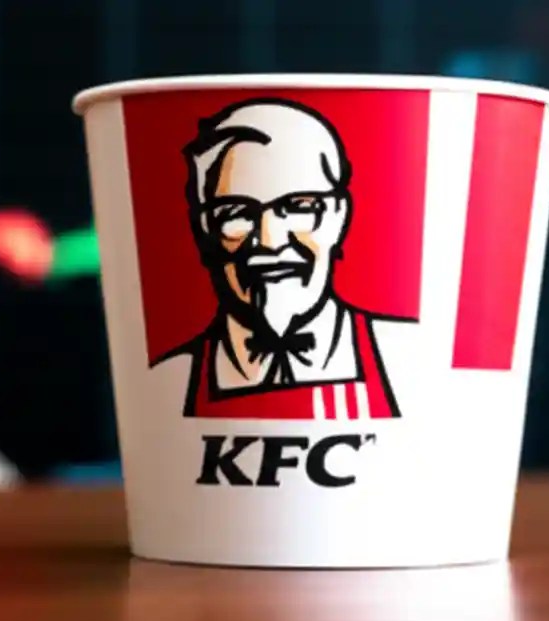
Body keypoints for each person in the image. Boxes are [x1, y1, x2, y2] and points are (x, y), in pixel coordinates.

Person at [153, 98, 399, 420]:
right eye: (236, 213)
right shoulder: (166, 381)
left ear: (339, 216)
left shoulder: (406, 356)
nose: (269, 241)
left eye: (299, 207)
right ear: (204, 229)